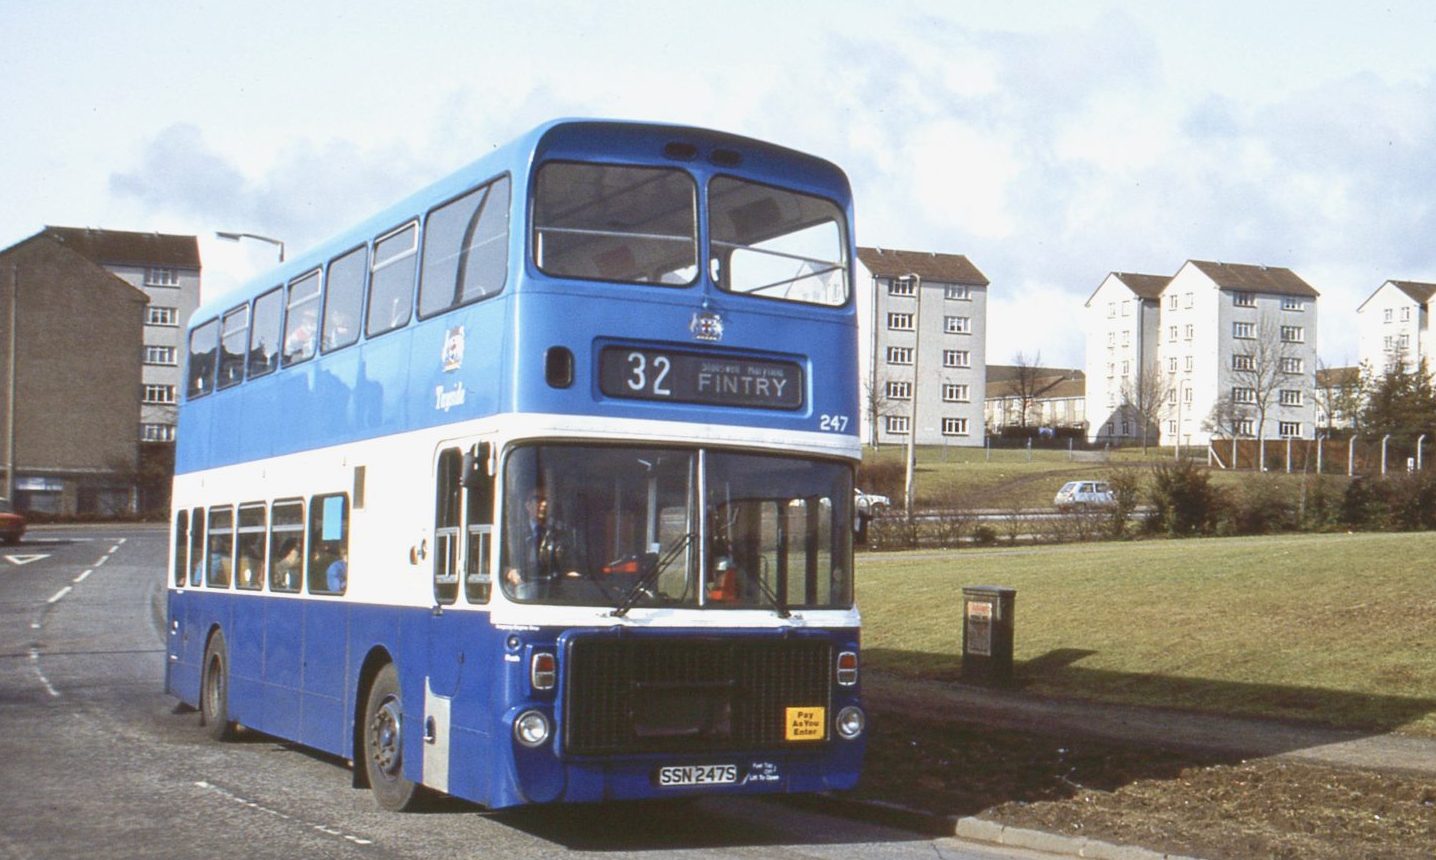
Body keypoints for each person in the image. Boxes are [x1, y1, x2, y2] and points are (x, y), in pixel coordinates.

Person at [504, 488, 579, 599]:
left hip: (550, 593)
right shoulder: (513, 534)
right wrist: (508, 573)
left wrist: (571, 573)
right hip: (518, 594)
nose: (544, 504)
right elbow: (498, 562)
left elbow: (567, 563)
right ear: (527, 505)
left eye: (547, 500)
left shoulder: (558, 533)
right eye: (538, 499)